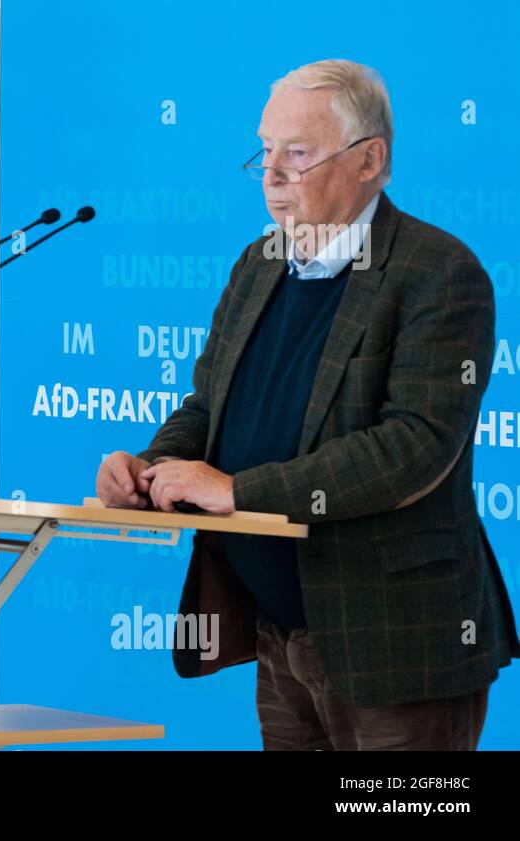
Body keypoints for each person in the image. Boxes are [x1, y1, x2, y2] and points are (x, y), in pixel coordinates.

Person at [95, 59, 519, 750]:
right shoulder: (257, 262)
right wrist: (154, 464)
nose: (272, 175)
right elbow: (212, 404)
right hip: (279, 630)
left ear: (370, 160)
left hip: (394, 646)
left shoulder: (439, 274)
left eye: (297, 154)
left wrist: (236, 490)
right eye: (265, 152)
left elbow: (412, 447)